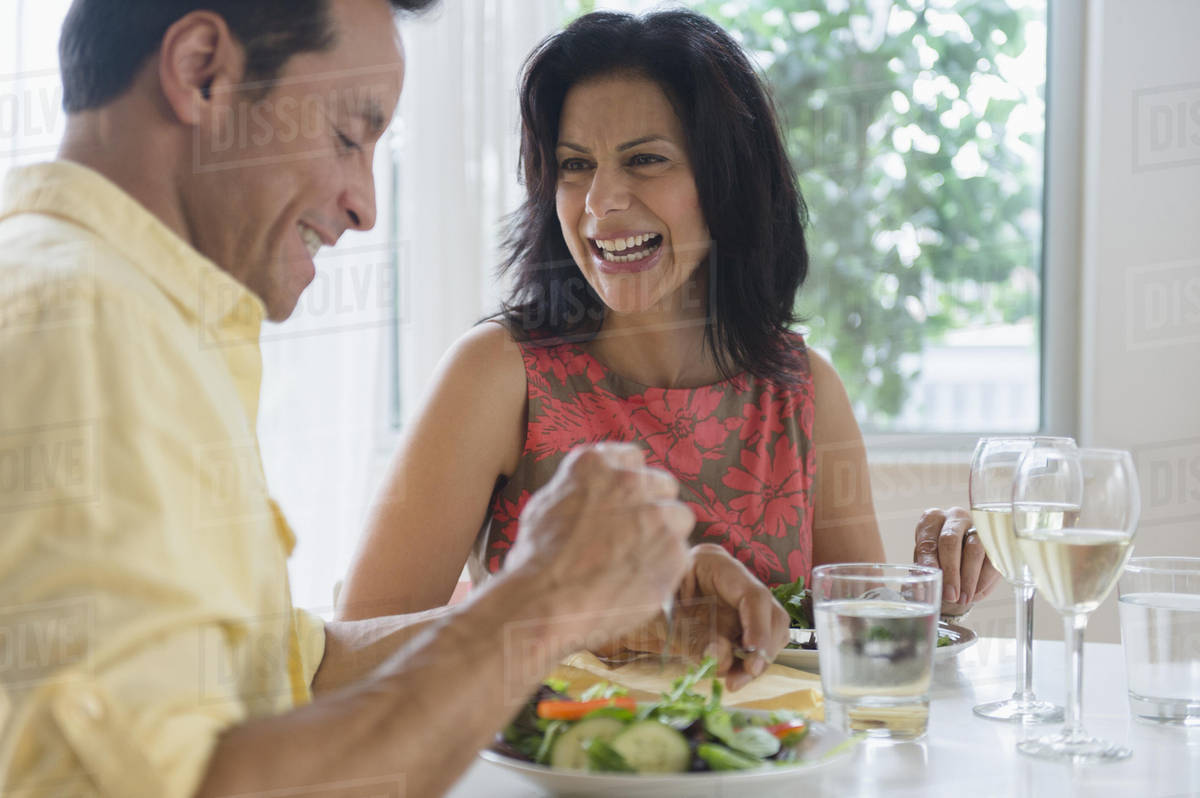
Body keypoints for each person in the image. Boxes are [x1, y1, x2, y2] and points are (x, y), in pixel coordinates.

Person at [0, 2, 791, 797]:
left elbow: (294, 670)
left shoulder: (129, 316)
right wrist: (540, 598)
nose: (365, 206)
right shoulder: (87, 330)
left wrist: (587, 610)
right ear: (202, 70)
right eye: (348, 136)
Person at [339, 9, 1000, 642]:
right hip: (547, 760)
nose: (601, 201)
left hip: (770, 758)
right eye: (575, 166)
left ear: (728, 181)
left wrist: (934, 585)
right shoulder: (497, 374)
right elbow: (356, 645)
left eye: (645, 160)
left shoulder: (803, 390)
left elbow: (855, 643)